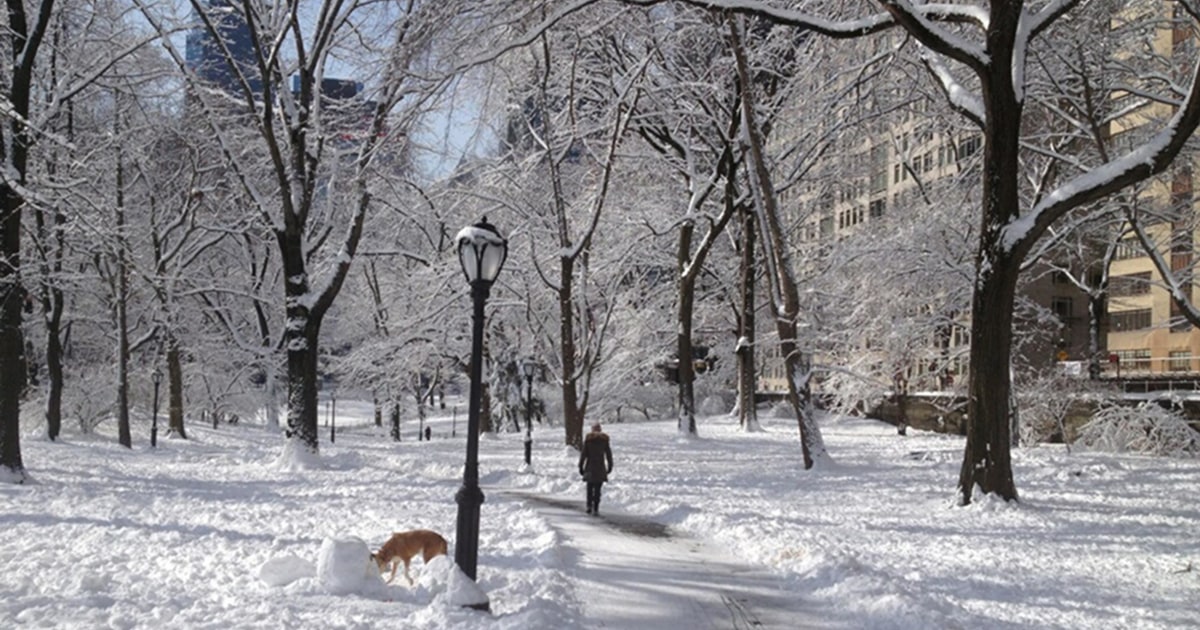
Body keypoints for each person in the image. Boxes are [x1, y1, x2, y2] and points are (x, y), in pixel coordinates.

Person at [578, 422, 613, 516]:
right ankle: (596, 507)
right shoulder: (604, 441)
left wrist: (580, 466)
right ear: (600, 430)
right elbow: (608, 455)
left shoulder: (588, 440)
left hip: (590, 467)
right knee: (598, 489)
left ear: (592, 430)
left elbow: (583, 455)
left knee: (589, 488)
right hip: (600, 467)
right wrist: (610, 466)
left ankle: (589, 506)